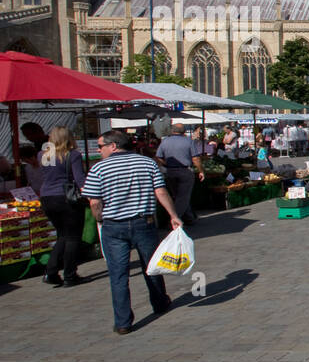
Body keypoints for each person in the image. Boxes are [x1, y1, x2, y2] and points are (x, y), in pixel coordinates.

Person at [81, 130, 182, 334]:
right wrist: (173, 214)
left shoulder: (98, 169)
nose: (99, 151)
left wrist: (100, 219)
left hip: (114, 225)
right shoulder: (147, 163)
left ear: (113, 146)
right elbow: (160, 191)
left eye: (100, 146)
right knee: (151, 266)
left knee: (118, 275)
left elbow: (94, 201)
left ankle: (123, 322)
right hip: (143, 222)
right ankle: (160, 302)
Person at [37, 127, 87, 286]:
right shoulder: (72, 155)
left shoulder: (42, 155)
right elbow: (80, 179)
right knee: (72, 237)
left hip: (46, 197)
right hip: (66, 197)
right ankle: (70, 275)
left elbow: (46, 175)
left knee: (62, 235)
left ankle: (51, 272)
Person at [155, 123, 205, 226]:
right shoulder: (188, 141)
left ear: (172, 130)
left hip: (170, 172)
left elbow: (158, 157)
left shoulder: (165, 141)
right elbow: (195, 158)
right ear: (184, 131)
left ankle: (189, 218)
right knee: (183, 197)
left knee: (178, 196)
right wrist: (201, 170)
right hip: (185, 171)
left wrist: (166, 163)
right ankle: (174, 220)